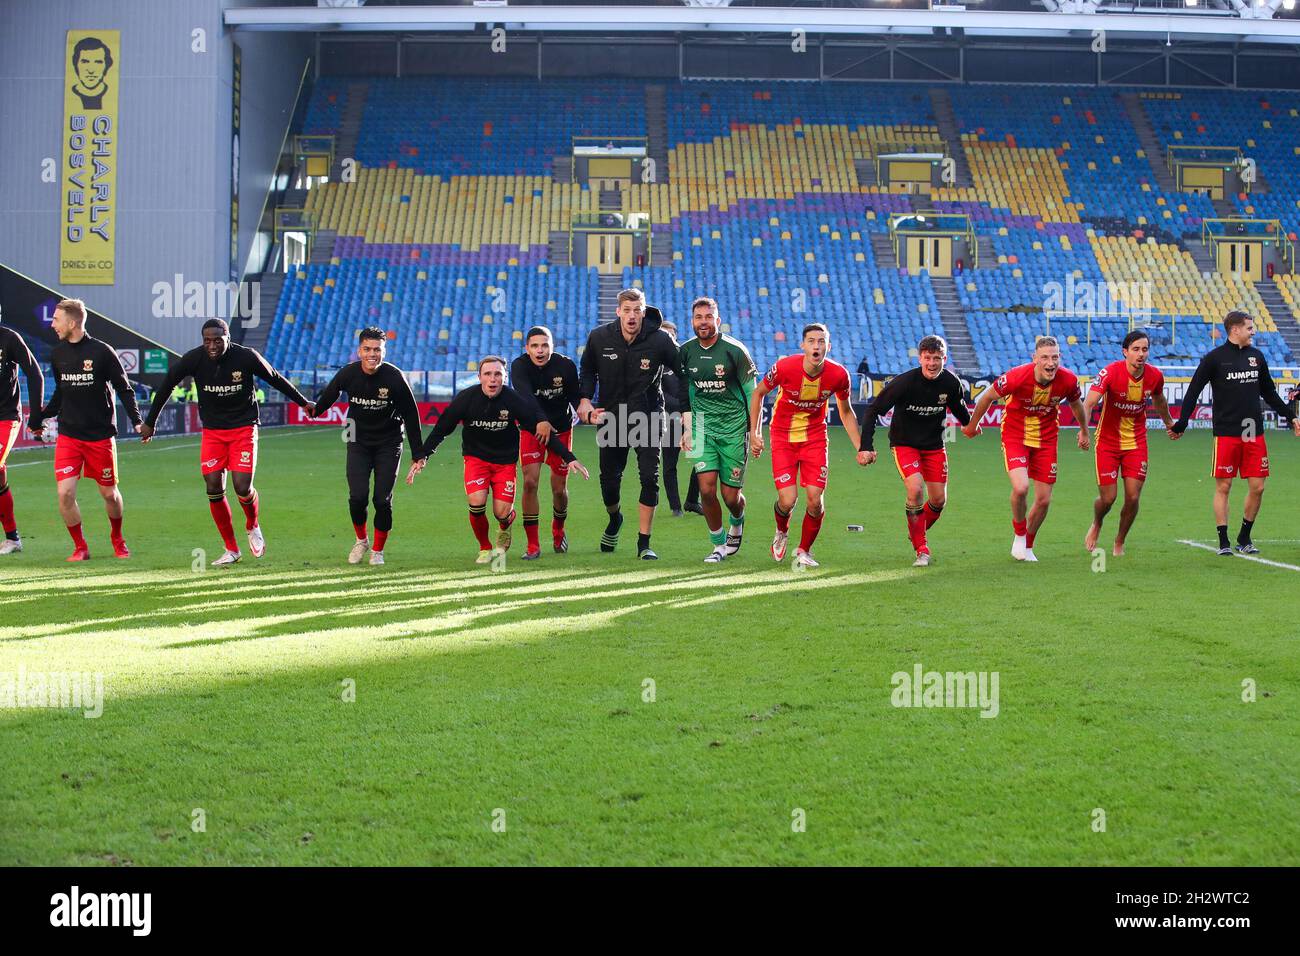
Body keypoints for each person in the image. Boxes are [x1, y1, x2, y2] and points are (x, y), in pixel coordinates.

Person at [140, 318, 311, 566]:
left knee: (242, 486)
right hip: (213, 432)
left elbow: (274, 377)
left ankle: (252, 525)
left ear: (228, 338)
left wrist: (303, 402)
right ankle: (231, 549)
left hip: (244, 428)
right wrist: (151, 421)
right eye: (207, 340)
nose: (212, 346)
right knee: (212, 487)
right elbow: (167, 384)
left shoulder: (246, 357)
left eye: (217, 341)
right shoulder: (194, 358)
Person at [408, 356, 588, 564]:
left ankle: (506, 524)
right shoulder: (466, 398)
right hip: (476, 459)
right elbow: (441, 429)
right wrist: (422, 456)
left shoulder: (513, 401)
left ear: (504, 377)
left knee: (501, 512)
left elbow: (540, 432)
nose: (492, 379)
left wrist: (569, 457)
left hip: (504, 463)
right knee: (476, 502)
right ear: (479, 377)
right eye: (487, 374)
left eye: (497, 374)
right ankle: (485, 548)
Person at [1172, 310, 1299, 555]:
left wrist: (1291, 416)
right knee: (1224, 486)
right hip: (1226, 431)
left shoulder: (1257, 357)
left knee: (1258, 486)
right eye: (1250, 328)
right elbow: (1193, 391)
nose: (1253, 332)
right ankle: (1223, 541)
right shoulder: (1214, 359)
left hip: (1253, 430)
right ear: (1235, 330)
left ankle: (1244, 537)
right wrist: (1183, 421)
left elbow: (1269, 393)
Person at [29, 298, 143, 561]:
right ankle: (80, 547)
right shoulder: (58, 354)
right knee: (64, 493)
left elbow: (124, 388)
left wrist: (137, 419)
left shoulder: (103, 352)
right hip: (69, 436)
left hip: (99, 436)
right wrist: (43, 416)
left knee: (109, 494)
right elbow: (61, 392)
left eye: (56, 320)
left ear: (72, 322)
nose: (52, 325)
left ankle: (117, 538)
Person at [963, 336, 1090, 562]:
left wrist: (1084, 430)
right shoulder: (1016, 377)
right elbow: (988, 396)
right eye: (1045, 358)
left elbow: (1076, 404)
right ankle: (1019, 535)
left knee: (1043, 500)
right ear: (1035, 359)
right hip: (1015, 435)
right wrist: (973, 425)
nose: (1050, 363)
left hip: (1047, 439)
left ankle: (1028, 546)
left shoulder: (1068, 380)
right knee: (1021, 488)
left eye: (1055, 357)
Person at [306, 326, 426, 566]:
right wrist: (313, 409)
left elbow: (412, 416)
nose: (373, 354)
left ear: (384, 351)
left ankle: (378, 551)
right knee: (358, 497)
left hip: (389, 443)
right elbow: (327, 398)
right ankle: (361, 541)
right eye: (367, 349)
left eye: (378, 349)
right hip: (357, 440)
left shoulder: (395, 378)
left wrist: (418, 455)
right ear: (359, 351)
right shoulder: (348, 373)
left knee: (382, 500)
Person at [576, 288, 679, 560]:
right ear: (618, 311)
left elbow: (683, 370)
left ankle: (644, 543)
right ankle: (614, 518)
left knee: (649, 477)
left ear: (643, 312)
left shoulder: (660, 340)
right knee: (609, 482)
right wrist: (584, 399)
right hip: (611, 417)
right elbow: (587, 369)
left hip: (649, 416)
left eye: (637, 310)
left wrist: (690, 409)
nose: (632, 316)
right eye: (627, 310)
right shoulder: (599, 337)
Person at [748, 323, 862, 570]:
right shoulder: (785, 367)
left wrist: (860, 447)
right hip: (783, 437)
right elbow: (758, 393)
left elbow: (846, 411)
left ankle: (804, 550)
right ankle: (781, 531)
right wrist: (754, 432)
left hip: (814, 438)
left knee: (815, 500)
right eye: (811, 341)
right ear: (803, 345)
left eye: (821, 341)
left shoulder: (839, 375)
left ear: (828, 346)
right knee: (787, 500)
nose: (816, 346)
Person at [856, 335, 972, 567]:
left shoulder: (950, 383)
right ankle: (921, 548)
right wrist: (866, 447)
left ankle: (916, 529)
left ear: (944, 359)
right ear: (920, 358)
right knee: (916, 488)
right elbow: (873, 411)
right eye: (927, 358)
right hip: (904, 444)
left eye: (937, 358)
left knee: (938, 500)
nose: (932, 363)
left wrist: (970, 426)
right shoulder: (904, 383)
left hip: (934, 447)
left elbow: (960, 411)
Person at [1081, 330, 1178, 557]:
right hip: (1107, 443)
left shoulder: (1155, 376)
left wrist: (1169, 423)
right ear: (1125, 352)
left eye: (1145, 349)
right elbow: (1089, 403)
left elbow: (1160, 400)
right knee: (1109, 498)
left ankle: (1119, 540)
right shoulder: (1109, 373)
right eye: (1135, 349)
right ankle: (1097, 523)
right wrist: (1084, 431)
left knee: (1133, 496)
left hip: (1136, 443)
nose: (1141, 354)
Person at [677, 297, 758, 563]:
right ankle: (718, 545)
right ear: (692, 321)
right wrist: (688, 429)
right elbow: (686, 392)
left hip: (734, 429)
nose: (703, 322)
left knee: (730, 495)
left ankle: (738, 518)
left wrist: (754, 431)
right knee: (707, 490)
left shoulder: (735, 350)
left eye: (708, 317)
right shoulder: (686, 352)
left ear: (718, 320)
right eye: (698, 317)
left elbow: (752, 393)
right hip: (702, 428)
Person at [510, 326, 581, 559]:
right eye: (534, 346)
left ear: (552, 346)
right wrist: (540, 420)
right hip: (531, 430)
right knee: (530, 483)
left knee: (559, 489)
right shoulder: (519, 366)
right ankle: (533, 545)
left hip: (561, 429)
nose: (540, 351)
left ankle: (558, 529)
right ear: (527, 349)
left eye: (544, 345)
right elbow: (526, 397)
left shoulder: (566, 366)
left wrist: (588, 411)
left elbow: (575, 397)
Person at [0, 316, 45, 555]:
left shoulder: (9, 338)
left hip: (5, 418)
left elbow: (35, 374)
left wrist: (36, 416)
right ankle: (13, 539)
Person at [659, 320, 687, 517]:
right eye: (664, 334)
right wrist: (682, 406)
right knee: (670, 465)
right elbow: (658, 392)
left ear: (676, 335)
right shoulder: (656, 363)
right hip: (670, 419)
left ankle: (693, 500)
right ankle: (675, 506)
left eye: (671, 334)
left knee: (703, 462)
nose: (668, 338)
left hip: (692, 418)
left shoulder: (687, 358)